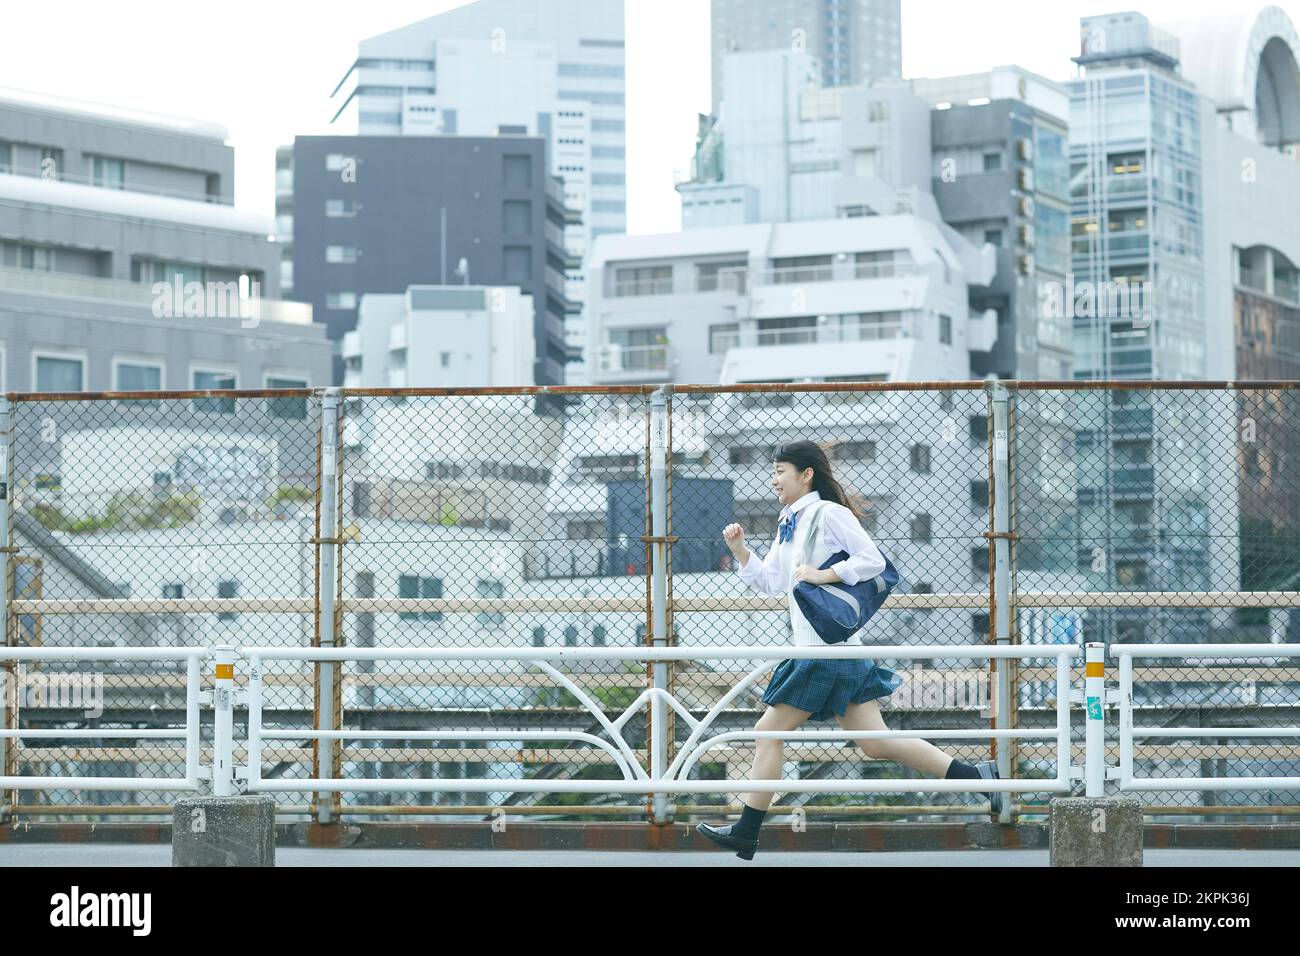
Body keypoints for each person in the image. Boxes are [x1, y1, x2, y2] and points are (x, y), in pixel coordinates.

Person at [697, 439, 1001, 860]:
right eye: (773, 472)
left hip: (824, 652)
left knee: (768, 733)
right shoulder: (790, 520)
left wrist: (824, 574)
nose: (773, 480)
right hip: (835, 652)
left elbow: (874, 560)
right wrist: (740, 551)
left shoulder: (829, 514)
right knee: (875, 743)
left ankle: (746, 832)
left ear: (805, 475)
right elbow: (773, 583)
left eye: (780, 471)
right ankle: (978, 778)